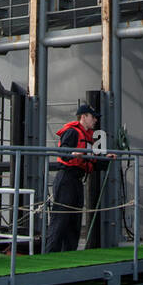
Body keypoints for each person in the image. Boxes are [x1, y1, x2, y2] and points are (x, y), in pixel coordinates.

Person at [44, 104, 104, 253]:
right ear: (83, 116)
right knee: (61, 217)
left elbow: (92, 161)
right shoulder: (72, 132)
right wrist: (71, 154)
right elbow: (62, 150)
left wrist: (106, 159)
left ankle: (69, 252)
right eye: (93, 117)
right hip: (66, 178)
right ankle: (50, 253)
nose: (95, 120)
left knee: (74, 219)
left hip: (77, 179)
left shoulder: (88, 137)